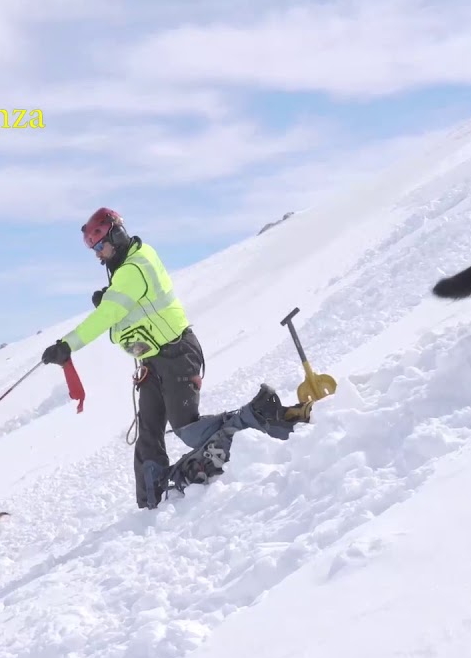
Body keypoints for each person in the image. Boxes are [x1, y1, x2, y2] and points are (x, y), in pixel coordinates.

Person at [41, 207, 312, 510]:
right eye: (93, 248)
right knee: (149, 432)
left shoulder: (133, 269)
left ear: (116, 237)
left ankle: (258, 417)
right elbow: (127, 312)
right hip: (154, 361)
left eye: (99, 246)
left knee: (185, 428)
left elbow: (108, 315)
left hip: (176, 354)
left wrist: (68, 345)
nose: (97, 255)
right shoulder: (129, 268)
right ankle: (150, 503)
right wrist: (110, 299)